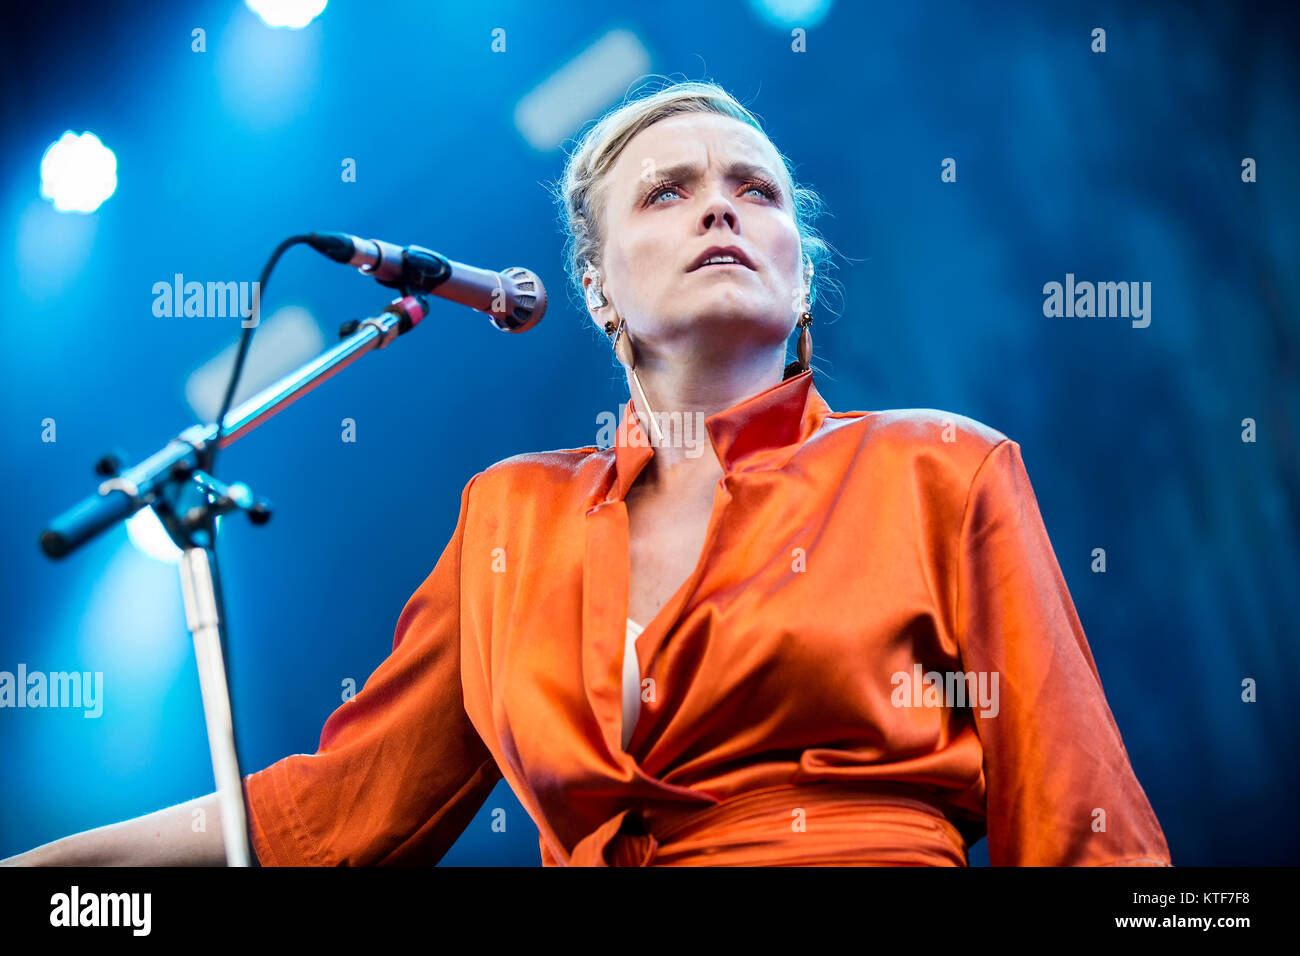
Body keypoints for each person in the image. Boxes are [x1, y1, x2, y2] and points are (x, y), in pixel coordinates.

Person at [3, 79, 1171, 867]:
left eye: (753, 188)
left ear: (800, 280)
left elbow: (1081, 817)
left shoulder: (938, 465)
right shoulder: (512, 513)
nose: (720, 202)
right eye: (667, 192)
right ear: (598, 289)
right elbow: (333, 808)